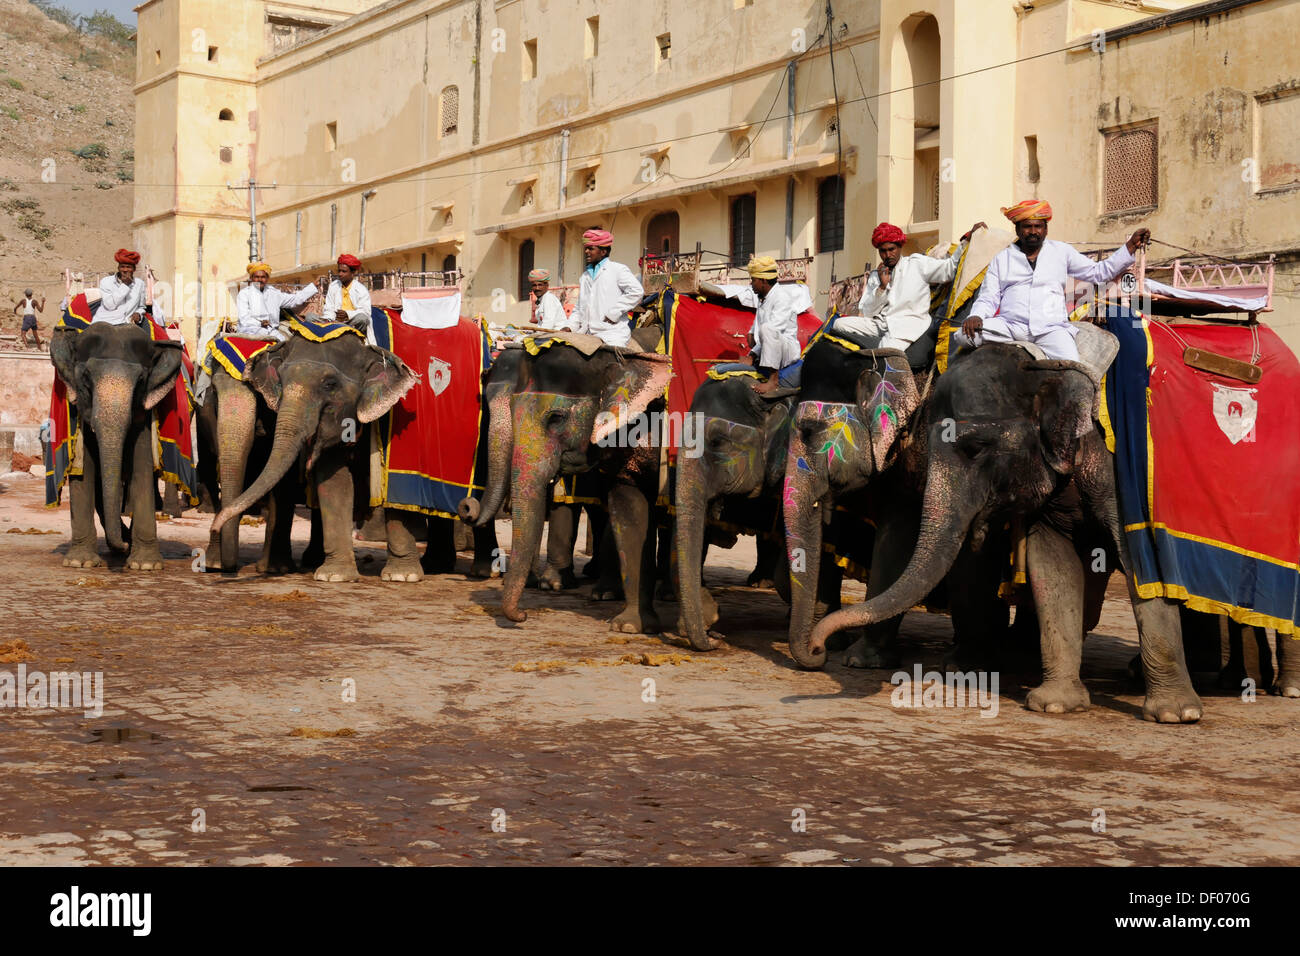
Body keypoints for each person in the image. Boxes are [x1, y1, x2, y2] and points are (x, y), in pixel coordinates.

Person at [957, 199, 1150, 362]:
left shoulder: (1061, 251)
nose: (1033, 231)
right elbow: (988, 297)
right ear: (1017, 229)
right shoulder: (1002, 258)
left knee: (1074, 369)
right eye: (1027, 226)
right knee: (963, 336)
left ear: (1045, 229)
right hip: (1010, 326)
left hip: (1050, 329)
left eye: (1038, 226)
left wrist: (1130, 246)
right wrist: (977, 316)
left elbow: (1098, 273)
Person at [836, 220, 985, 349]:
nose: (888, 255)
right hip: (880, 324)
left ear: (900, 247)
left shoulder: (916, 263)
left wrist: (966, 239)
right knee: (839, 325)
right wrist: (882, 287)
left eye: (891, 249)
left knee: (885, 348)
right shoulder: (876, 275)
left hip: (908, 324)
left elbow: (949, 269)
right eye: (883, 251)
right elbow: (868, 313)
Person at [572, 228, 643, 347]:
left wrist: (614, 312)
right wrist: (569, 326)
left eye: (591, 248)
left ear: (603, 251)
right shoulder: (584, 276)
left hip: (612, 335)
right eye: (586, 248)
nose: (586, 252)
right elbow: (579, 309)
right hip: (586, 334)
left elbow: (636, 291)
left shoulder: (618, 270)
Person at [744, 256, 802, 395]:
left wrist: (752, 355)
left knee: (767, 329)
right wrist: (751, 336)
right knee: (754, 334)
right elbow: (756, 328)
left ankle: (773, 380)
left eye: (753, 280)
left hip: (786, 350)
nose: (751, 283)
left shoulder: (782, 297)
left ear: (763, 280)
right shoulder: (763, 298)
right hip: (769, 346)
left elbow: (772, 330)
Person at [234, 261, 318, 340]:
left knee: (286, 344)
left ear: (267, 278)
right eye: (257, 277)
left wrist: (313, 286)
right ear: (252, 278)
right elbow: (244, 318)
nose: (260, 279)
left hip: (272, 331)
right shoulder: (244, 294)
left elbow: (294, 300)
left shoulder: (274, 293)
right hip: (250, 330)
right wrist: (260, 323)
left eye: (263, 277)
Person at [94, 249, 162, 327]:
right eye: (122, 267)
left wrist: (138, 313)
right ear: (118, 268)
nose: (125, 270)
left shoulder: (140, 284)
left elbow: (141, 306)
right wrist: (125, 285)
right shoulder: (106, 282)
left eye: (128, 267)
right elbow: (110, 305)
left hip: (128, 325)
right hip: (107, 323)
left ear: (134, 269)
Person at [323, 253, 372, 334]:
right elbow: (329, 307)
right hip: (334, 323)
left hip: (351, 323)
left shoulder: (361, 289)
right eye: (339, 271)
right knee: (310, 317)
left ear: (353, 273)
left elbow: (366, 312)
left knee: (362, 318)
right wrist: (328, 319)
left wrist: (347, 314)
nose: (340, 274)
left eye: (344, 271)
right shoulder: (333, 286)